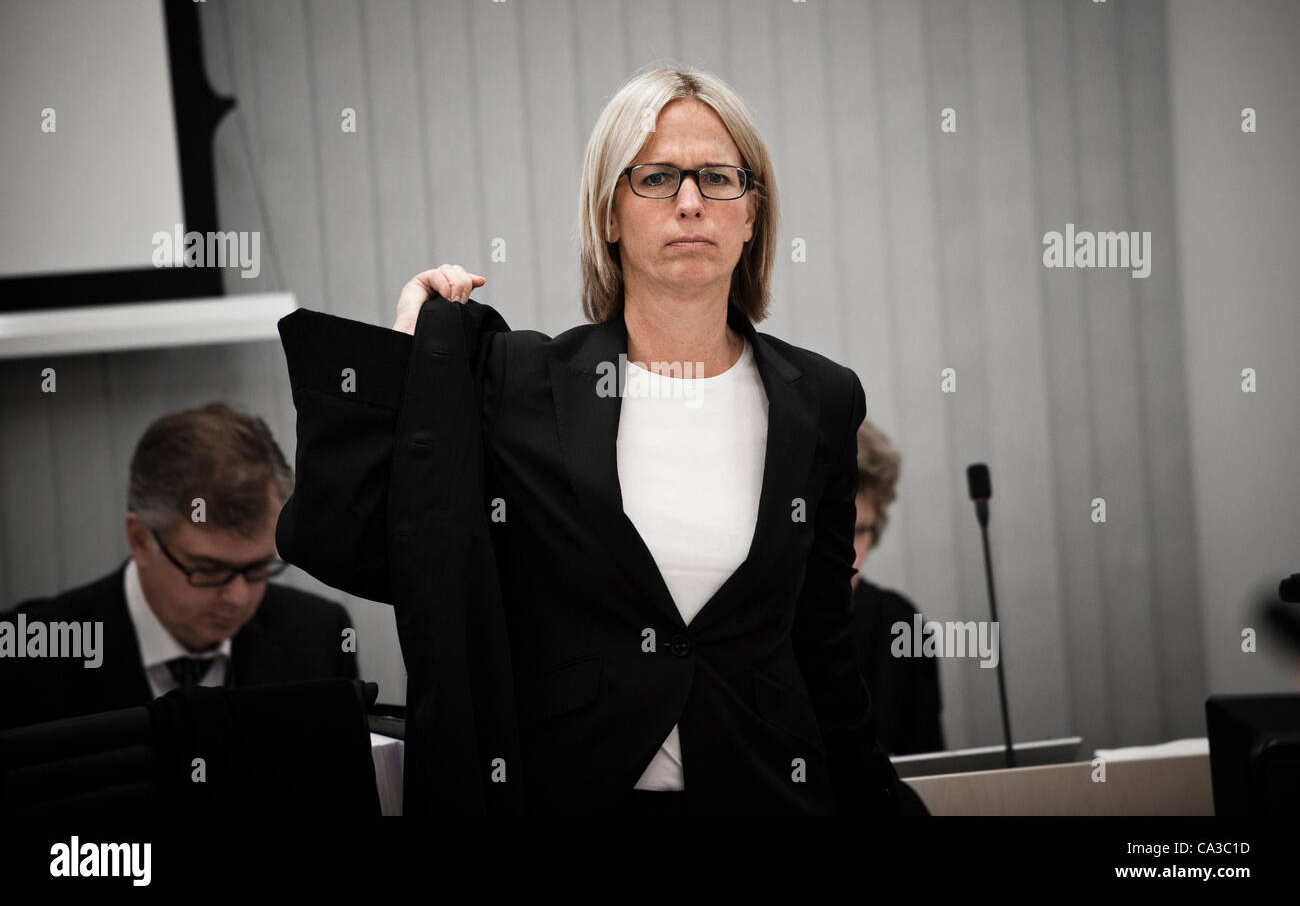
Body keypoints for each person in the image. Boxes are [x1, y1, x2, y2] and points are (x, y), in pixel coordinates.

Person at [276, 64, 913, 814]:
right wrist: (410, 361)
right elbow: (355, 543)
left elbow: (823, 650)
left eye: (718, 178)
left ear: (751, 213)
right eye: (655, 178)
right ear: (609, 215)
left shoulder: (823, 399)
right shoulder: (517, 383)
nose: (689, 203)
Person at [0, 403, 357, 731]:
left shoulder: (319, 638)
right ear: (140, 539)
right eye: (209, 569)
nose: (237, 596)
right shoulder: (33, 652)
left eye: (257, 567)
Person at [849, 418, 946, 756]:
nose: (846, 551)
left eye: (859, 531)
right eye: (830, 528)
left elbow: (925, 767)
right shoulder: (760, 626)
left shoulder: (899, 624)